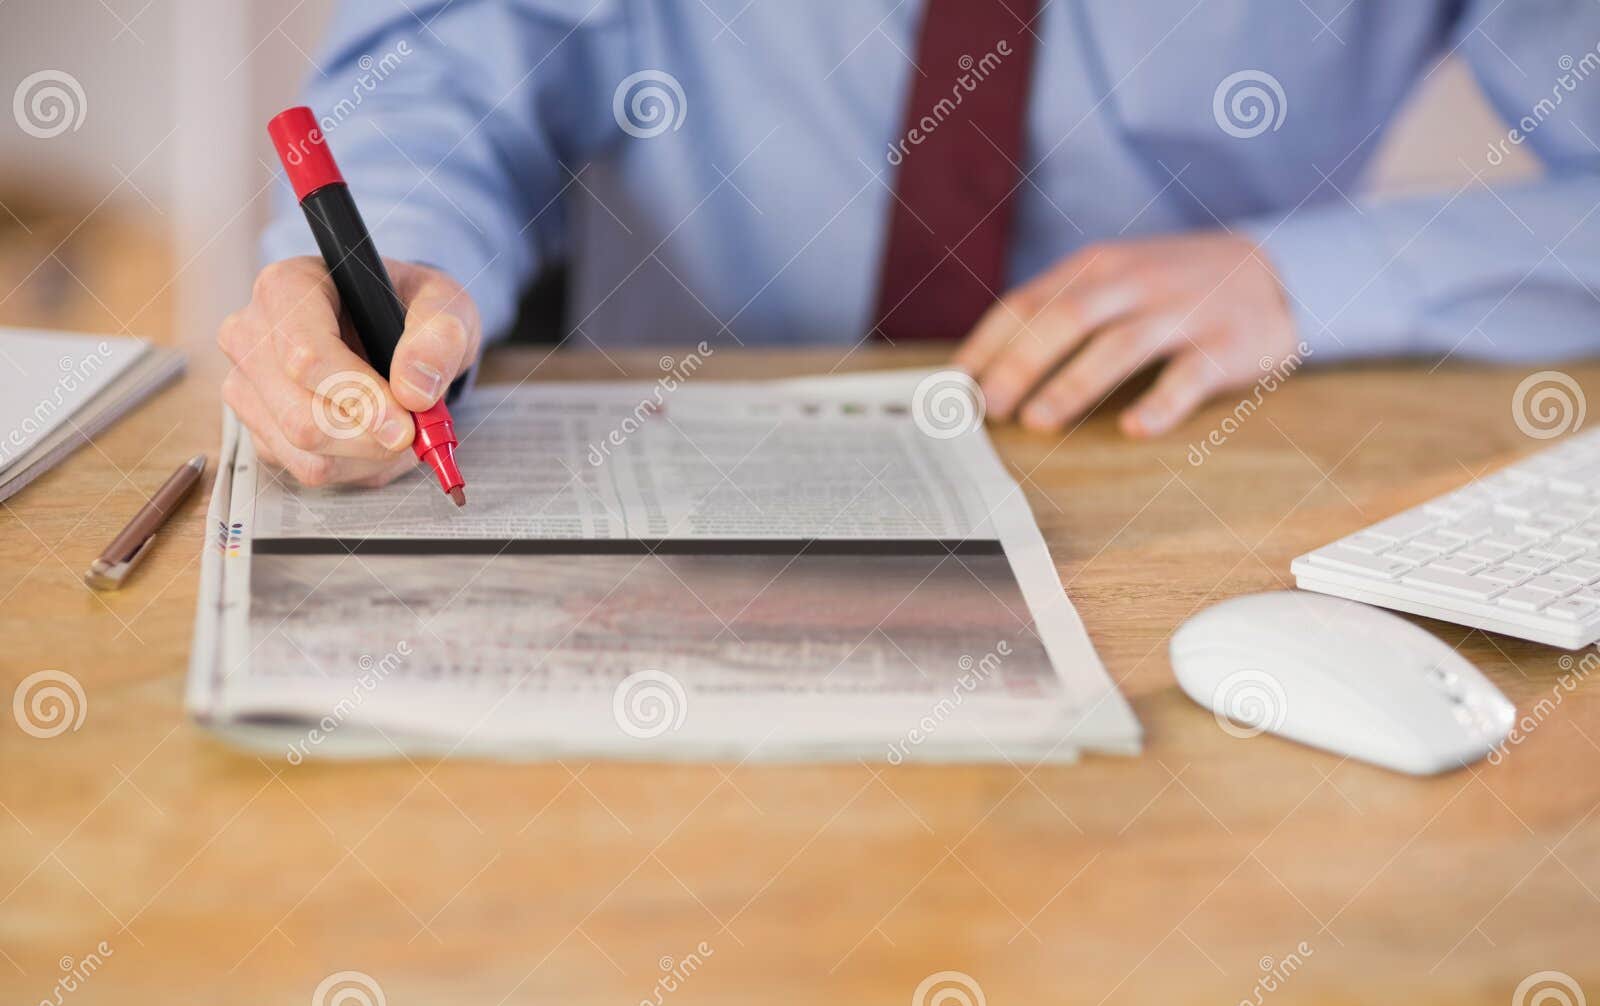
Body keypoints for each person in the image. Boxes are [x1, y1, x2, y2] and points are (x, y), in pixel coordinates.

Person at [218, 0, 1600, 488]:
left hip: (1178, 477)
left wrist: (1308, 279)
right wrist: (385, 272)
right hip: (686, 465)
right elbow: (447, 72)